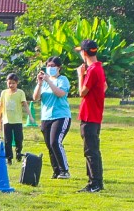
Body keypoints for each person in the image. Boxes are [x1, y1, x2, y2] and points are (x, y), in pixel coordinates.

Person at [33, 56, 72, 180]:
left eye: (53, 66)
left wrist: (49, 81)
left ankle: (64, 170)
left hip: (60, 116)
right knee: (50, 145)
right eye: (48, 66)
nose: (50, 68)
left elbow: (60, 93)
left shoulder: (63, 80)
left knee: (55, 142)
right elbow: (35, 98)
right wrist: (39, 83)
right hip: (46, 117)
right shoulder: (43, 82)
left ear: (59, 67)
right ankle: (56, 171)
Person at [76, 39, 107, 193]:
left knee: (90, 151)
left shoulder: (92, 70)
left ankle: (95, 183)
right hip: (95, 115)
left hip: (89, 116)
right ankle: (94, 181)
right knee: (93, 149)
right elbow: (105, 86)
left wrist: (80, 75)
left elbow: (82, 92)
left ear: (85, 53)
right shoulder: (99, 68)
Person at [0, 73, 28, 164]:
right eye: (9, 83)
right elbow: (1, 106)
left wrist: (30, 115)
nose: (11, 85)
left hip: (17, 120)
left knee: (19, 139)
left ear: (17, 83)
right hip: (7, 120)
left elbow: (25, 104)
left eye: (13, 83)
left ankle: (18, 153)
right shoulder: (4, 93)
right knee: (7, 140)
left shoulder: (20, 92)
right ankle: (8, 157)